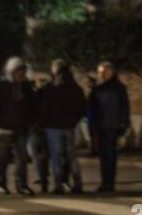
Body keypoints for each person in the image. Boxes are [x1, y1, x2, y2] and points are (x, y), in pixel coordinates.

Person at [0, 57, 37, 198]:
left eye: (23, 71)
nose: (21, 74)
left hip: (20, 127)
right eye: (18, 71)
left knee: (21, 158)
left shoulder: (26, 86)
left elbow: (32, 105)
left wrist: (29, 121)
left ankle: (22, 185)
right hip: (4, 128)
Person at [37, 60, 88, 194]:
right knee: (71, 156)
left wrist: (42, 122)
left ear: (55, 71)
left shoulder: (49, 87)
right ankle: (77, 183)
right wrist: (74, 120)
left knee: (57, 156)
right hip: (69, 126)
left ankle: (59, 183)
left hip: (53, 126)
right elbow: (82, 107)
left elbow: (44, 107)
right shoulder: (75, 87)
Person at [87, 61, 130, 193]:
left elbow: (125, 108)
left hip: (113, 126)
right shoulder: (96, 89)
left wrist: (123, 125)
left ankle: (110, 182)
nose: (102, 75)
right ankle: (104, 182)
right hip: (100, 126)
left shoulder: (119, 88)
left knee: (111, 156)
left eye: (104, 72)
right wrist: (91, 125)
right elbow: (91, 109)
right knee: (103, 156)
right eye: (100, 72)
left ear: (111, 72)